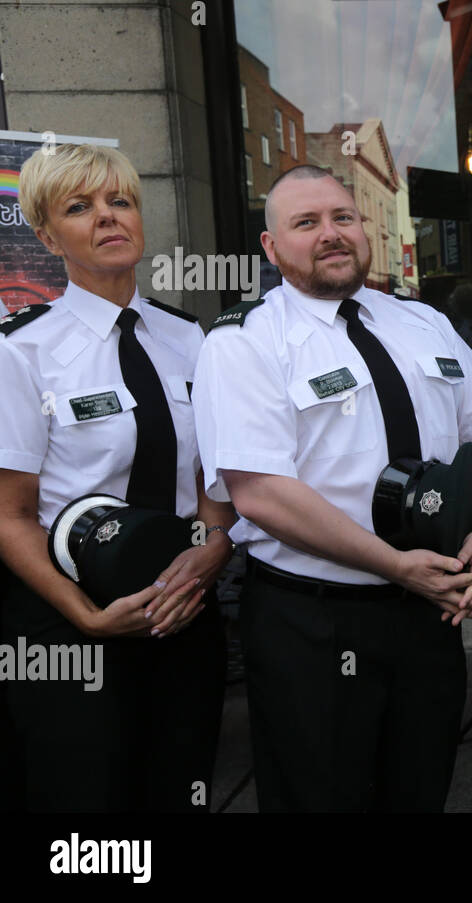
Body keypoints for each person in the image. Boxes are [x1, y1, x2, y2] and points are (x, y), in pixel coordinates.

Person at [191, 165, 472, 812]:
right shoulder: (243, 342)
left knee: (420, 788)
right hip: (316, 625)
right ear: (271, 247)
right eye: (306, 223)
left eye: (343, 217)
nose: (331, 234)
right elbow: (258, 492)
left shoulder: (422, 320)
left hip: (432, 609)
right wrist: (395, 565)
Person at [0, 144, 232, 812]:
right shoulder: (22, 351)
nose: (107, 217)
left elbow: (212, 482)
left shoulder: (192, 338)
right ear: (47, 236)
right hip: (71, 620)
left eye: (119, 201)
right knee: (89, 816)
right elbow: (9, 516)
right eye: (80, 207)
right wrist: (92, 619)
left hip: (184, 611)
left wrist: (213, 552)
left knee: (179, 791)